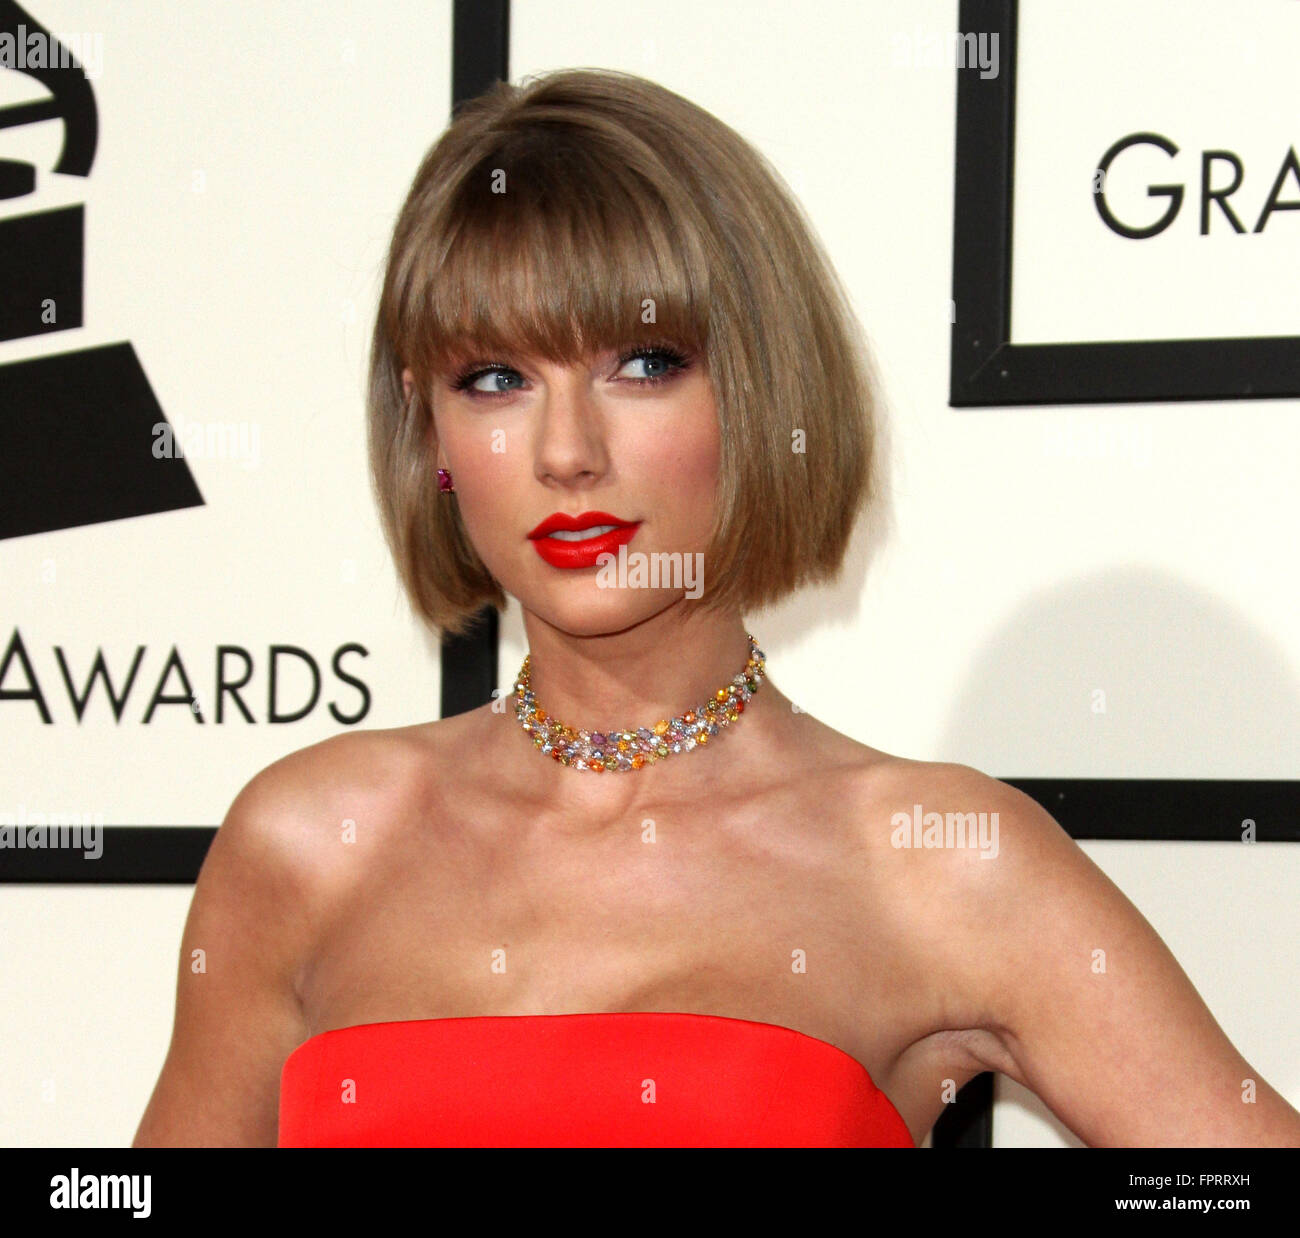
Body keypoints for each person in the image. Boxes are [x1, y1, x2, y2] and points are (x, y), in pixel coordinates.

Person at [133, 67, 1300, 1149]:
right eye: (494, 379)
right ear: (427, 425)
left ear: (762, 383)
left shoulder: (936, 863)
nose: (567, 451)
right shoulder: (309, 847)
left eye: (643, 362)